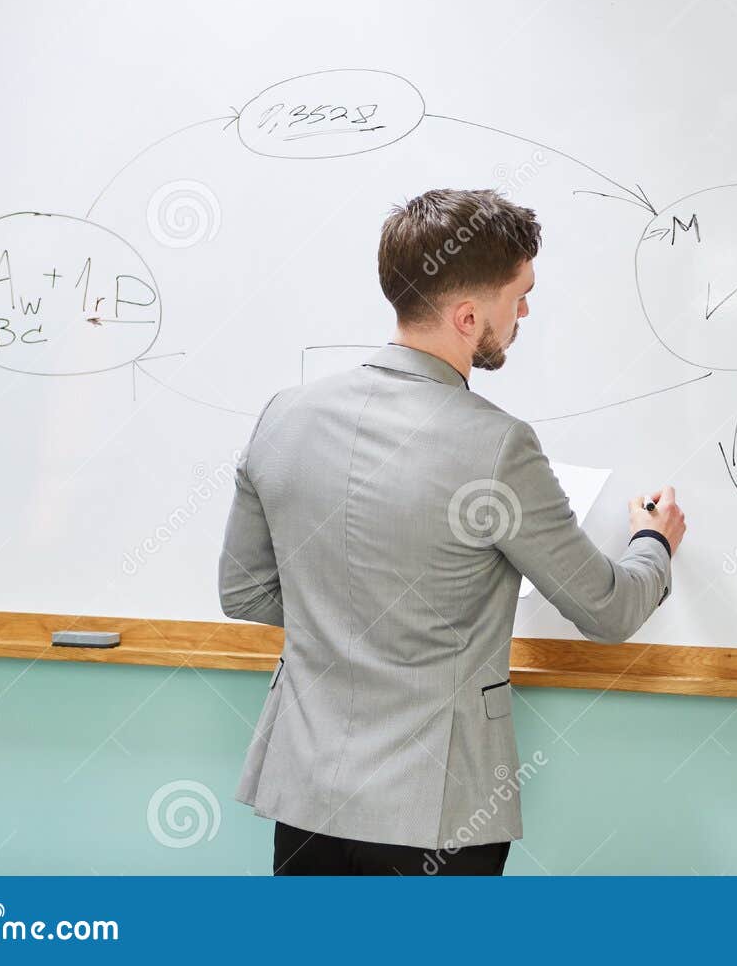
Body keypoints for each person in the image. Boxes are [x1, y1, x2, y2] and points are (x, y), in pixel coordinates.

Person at [218, 188, 687, 876]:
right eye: (517, 295)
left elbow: (244, 593)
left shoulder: (283, 415)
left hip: (306, 798)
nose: (525, 311)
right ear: (468, 315)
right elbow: (610, 609)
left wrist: (352, 615)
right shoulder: (497, 446)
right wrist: (655, 541)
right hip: (436, 818)